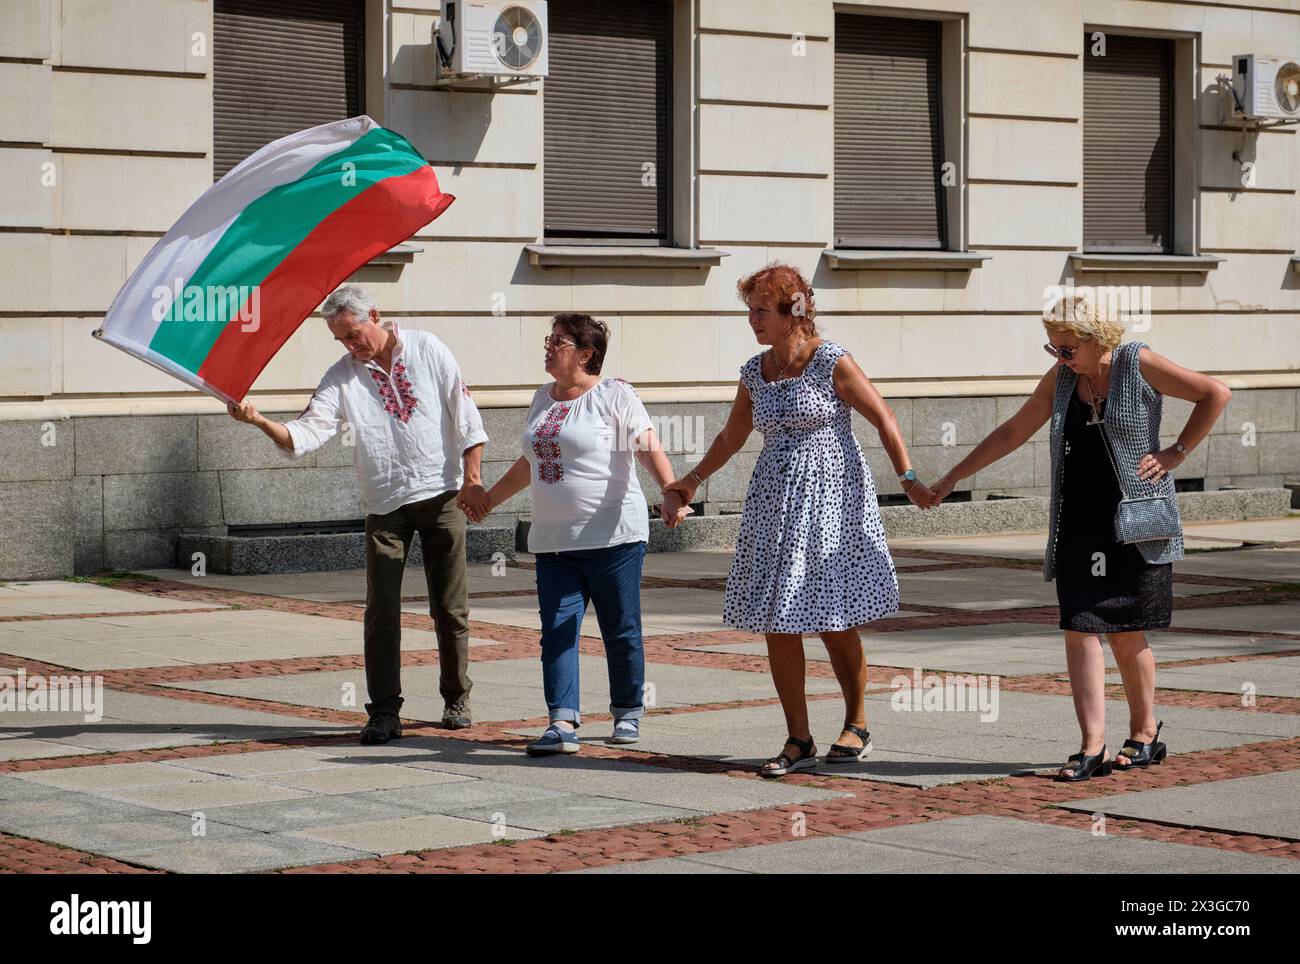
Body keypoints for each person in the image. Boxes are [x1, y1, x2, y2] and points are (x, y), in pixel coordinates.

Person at [930, 294, 1231, 780]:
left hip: (1135, 522)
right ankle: (1091, 745)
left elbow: (1215, 393)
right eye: (1053, 350)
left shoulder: (1138, 363)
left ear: (1096, 340)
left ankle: (1145, 734)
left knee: (1128, 631)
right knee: (1080, 628)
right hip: (1079, 522)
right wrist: (953, 478)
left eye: (1067, 349)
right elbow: (1013, 431)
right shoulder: (1065, 378)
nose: (1060, 358)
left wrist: (1176, 452)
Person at [664, 263, 936, 778]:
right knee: (777, 619)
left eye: (761, 310)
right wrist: (690, 481)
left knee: (834, 617)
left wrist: (909, 478)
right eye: (749, 310)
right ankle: (798, 737)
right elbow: (731, 436)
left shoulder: (830, 360)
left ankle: (857, 721)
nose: (752, 320)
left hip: (832, 496)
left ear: (795, 310)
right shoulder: (755, 370)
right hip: (773, 500)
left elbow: (884, 416)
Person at [227, 285, 490, 744]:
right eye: (342, 340)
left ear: (375, 314)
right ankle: (384, 712)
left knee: (449, 607)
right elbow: (307, 432)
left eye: (353, 334)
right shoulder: (342, 376)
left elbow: (466, 415)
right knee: (381, 612)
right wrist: (259, 421)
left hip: (442, 494)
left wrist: (472, 477)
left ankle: (456, 696)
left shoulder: (428, 348)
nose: (351, 346)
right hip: (384, 504)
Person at [470, 314, 687, 755]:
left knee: (620, 628)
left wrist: (670, 490)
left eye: (559, 342)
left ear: (586, 354)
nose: (548, 347)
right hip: (554, 541)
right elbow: (530, 463)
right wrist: (489, 499)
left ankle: (627, 712)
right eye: (548, 340)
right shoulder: (541, 399)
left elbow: (646, 445)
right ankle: (561, 722)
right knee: (557, 629)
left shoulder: (615, 394)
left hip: (614, 538)